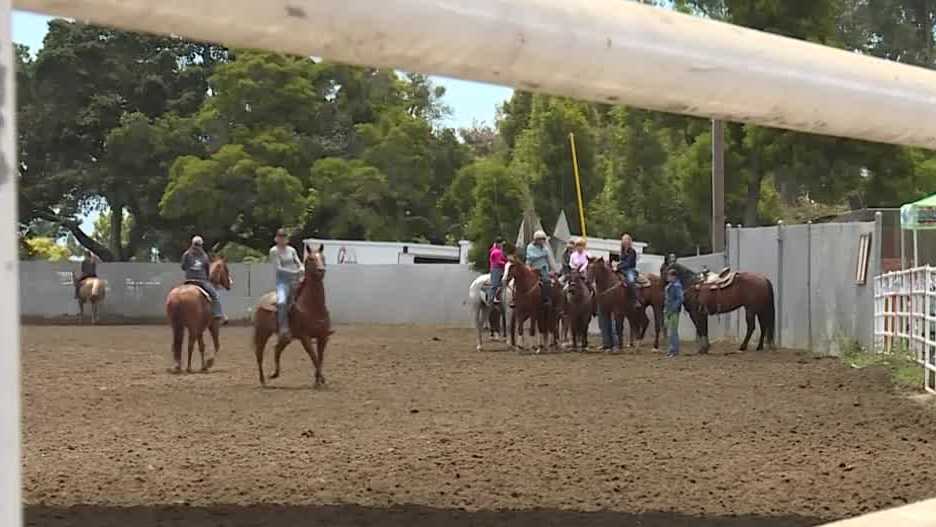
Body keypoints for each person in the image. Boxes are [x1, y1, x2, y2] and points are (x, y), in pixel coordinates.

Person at [181, 235, 226, 324]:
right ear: (201, 245)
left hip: (188, 281)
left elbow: (183, 267)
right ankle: (218, 314)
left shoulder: (186, 254)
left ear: (192, 244)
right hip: (201, 281)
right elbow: (207, 269)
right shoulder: (204, 256)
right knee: (215, 295)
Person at [269, 228, 304, 339]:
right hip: (283, 281)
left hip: (295, 280)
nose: (283, 239)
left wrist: (302, 268)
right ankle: (283, 328)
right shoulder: (274, 251)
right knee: (282, 302)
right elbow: (279, 269)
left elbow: (298, 261)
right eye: (280, 237)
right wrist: (294, 272)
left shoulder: (292, 250)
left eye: (284, 237)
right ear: (277, 239)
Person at [525, 230, 558, 306]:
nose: (542, 241)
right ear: (536, 239)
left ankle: (546, 298)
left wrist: (553, 270)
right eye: (540, 239)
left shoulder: (545, 249)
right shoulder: (530, 247)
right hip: (532, 268)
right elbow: (531, 257)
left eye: (543, 239)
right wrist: (542, 254)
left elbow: (550, 260)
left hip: (543, 269)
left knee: (547, 281)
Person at [664, 267, 684, 358]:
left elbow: (680, 298)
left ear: (674, 276)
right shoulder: (670, 286)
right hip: (669, 310)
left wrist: (672, 308)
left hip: (673, 311)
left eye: (669, 276)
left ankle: (674, 350)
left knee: (673, 331)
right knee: (670, 331)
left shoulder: (676, 286)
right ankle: (671, 349)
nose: (668, 277)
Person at [617, 234, 640, 310]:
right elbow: (622, 261)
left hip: (630, 269)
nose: (625, 241)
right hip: (622, 269)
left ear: (629, 241)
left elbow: (629, 263)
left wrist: (618, 266)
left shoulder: (632, 251)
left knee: (631, 281)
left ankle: (636, 300)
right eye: (624, 240)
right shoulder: (622, 251)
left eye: (627, 240)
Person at [488, 238, 507, 304]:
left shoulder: (497, 250)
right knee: (495, 284)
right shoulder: (496, 252)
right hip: (496, 268)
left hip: (499, 268)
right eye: (501, 243)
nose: (502, 245)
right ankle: (491, 298)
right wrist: (506, 263)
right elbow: (498, 261)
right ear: (498, 244)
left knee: (501, 283)